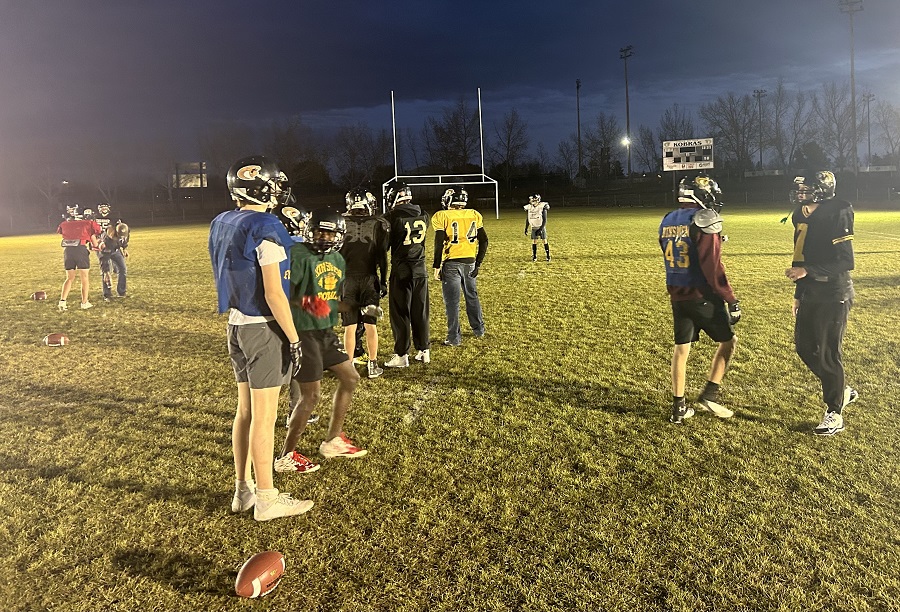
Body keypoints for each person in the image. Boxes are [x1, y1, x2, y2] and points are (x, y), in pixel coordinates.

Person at [208, 155, 312, 521]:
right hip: (263, 326)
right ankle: (267, 497)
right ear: (260, 187)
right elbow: (273, 292)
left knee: (245, 413)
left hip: (236, 325)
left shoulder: (222, 220)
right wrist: (294, 337)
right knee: (264, 418)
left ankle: (243, 490)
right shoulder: (266, 224)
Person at [276, 207, 370, 475]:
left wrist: (360, 307)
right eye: (319, 231)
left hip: (325, 331)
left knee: (350, 378)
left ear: (339, 235)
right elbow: (282, 292)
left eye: (330, 232)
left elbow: (329, 302)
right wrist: (304, 302)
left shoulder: (339, 260)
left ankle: (332, 440)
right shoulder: (298, 255)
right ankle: (285, 456)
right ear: (310, 231)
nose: (324, 237)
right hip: (303, 331)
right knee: (311, 395)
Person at [658, 175, 741, 424]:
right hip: (701, 294)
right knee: (728, 341)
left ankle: (678, 408)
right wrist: (730, 298)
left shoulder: (668, 218)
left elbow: (673, 245)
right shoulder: (704, 219)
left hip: (676, 291)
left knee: (681, 349)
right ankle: (709, 395)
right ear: (701, 194)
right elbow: (712, 267)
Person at [785, 171, 858, 436]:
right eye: (800, 190)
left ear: (823, 190)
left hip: (833, 292)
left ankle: (834, 412)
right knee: (804, 348)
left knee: (828, 353)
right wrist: (798, 291)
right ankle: (840, 389)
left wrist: (808, 272)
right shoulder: (801, 213)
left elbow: (845, 261)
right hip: (811, 291)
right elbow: (800, 255)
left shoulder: (837, 212)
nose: (801, 194)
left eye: (807, 189)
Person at [338, 188, 390, 379]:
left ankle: (349, 366)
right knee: (370, 324)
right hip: (369, 279)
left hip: (347, 280)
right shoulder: (378, 224)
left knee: (349, 326)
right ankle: (372, 365)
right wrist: (383, 281)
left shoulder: (341, 223)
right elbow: (382, 257)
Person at [431, 185, 488, 346]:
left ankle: (454, 338)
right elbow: (484, 240)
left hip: (451, 264)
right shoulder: (474, 214)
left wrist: (436, 266)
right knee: (472, 297)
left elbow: (438, 243)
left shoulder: (442, 215)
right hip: (470, 262)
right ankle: (479, 330)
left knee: (452, 302)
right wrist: (478, 263)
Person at [383, 181, 431, 368]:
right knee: (420, 312)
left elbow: (385, 246)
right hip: (420, 270)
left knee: (400, 313)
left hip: (401, 271)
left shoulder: (391, 217)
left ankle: (402, 354)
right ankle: (424, 350)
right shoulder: (423, 214)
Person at [57, 204, 101, 311]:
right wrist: (97, 245)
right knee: (84, 278)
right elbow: (95, 243)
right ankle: (84, 302)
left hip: (68, 251)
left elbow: (63, 233)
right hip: (80, 250)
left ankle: (62, 302)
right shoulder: (87, 223)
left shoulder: (65, 224)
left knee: (69, 278)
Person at [98, 221, 129, 300]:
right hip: (106, 251)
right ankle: (107, 294)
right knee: (107, 273)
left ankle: (121, 292)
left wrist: (124, 248)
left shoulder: (125, 231)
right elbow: (103, 258)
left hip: (116, 250)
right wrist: (106, 271)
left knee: (123, 269)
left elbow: (124, 241)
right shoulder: (107, 240)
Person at [523, 193, 551, 262]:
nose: (532, 201)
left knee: (544, 241)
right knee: (534, 242)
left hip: (540, 226)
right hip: (533, 227)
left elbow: (545, 220)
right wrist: (526, 228)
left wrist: (541, 229)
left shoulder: (541, 206)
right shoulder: (530, 207)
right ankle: (534, 256)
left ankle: (548, 256)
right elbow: (528, 218)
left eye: (534, 199)